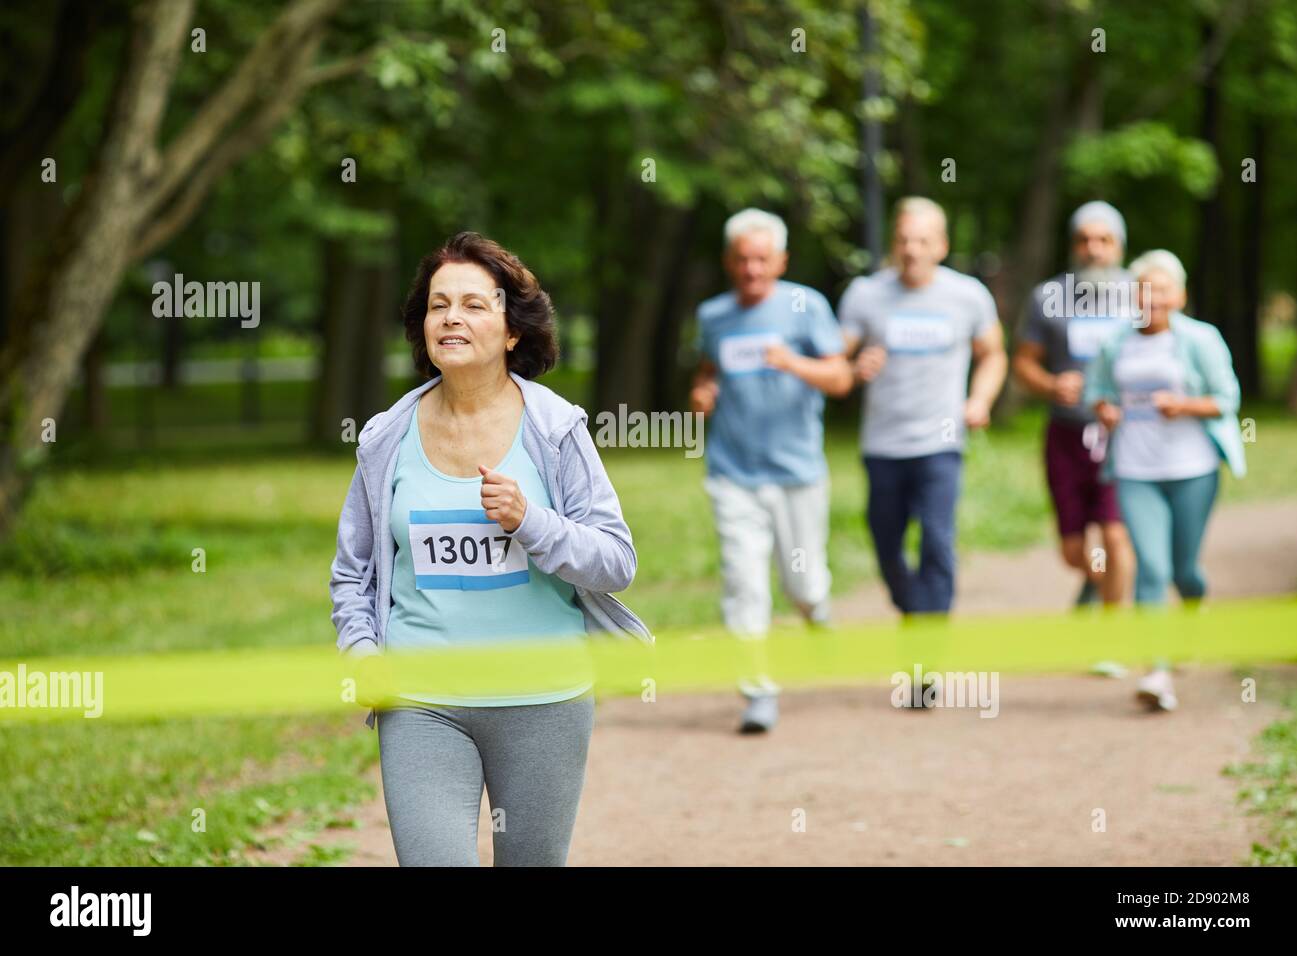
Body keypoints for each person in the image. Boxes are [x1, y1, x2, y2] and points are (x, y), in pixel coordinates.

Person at [328, 231, 651, 865]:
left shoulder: (555, 429)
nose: (451, 317)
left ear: (511, 332)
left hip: (541, 698)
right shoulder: (386, 437)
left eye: (474, 304)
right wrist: (363, 653)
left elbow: (617, 561)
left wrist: (533, 522)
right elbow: (353, 573)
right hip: (421, 701)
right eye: (438, 304)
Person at [690, 208, 853, 734]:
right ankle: (758, 692)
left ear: (781, 260)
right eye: (742, 260)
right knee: (744, 583)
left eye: (762, 259)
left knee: (802, 582)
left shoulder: (808, 307)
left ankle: (816, 612)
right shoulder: (714, 315)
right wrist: (702, 394)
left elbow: (841, 377)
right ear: (728, 262)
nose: (752, 269)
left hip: (797, 472)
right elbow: (708, 371)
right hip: (733, 473)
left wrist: (794, 364)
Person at [1084, 249, 1246, 711]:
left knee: (1183, 570)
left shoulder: (1200, 339)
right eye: (1144, 291)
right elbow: (1096, 391)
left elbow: (1227, 398)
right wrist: (1105, 409)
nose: (1152, 299)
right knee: (1151, 568)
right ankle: (1156, 671)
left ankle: (1193, 607)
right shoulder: (1116, 343)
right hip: (1135, 470)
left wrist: (1184, 406)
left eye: (1161, 291)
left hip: (1193, 469)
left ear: (1180, 295)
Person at [838, 197, 1007, 618]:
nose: (912, 249)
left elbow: (994, 354)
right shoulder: (865, 294)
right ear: (894, 243)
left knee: (937, 539)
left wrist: (980, 400)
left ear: (942, 246)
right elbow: (835, 363)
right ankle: (915, 609)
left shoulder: (967, 296)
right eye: (904, 240)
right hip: (883, 444)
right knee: (886, 544)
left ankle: (927, 652)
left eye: (922, 240)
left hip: (941, 442)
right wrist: (856, 367)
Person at [1013, 201, 1134, 608]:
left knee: (1116, 535)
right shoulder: (1048, 296)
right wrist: (1050, 384)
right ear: (1072, 246)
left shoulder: (1141, 297)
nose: (1094, 249)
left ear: (1119, 246)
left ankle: (1110, 633)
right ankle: (1099, 582)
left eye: (1104, 239)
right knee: (1071, 550)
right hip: (1065, 433)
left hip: (1123, 436)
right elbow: (1023, 362)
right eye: (1084, 240)